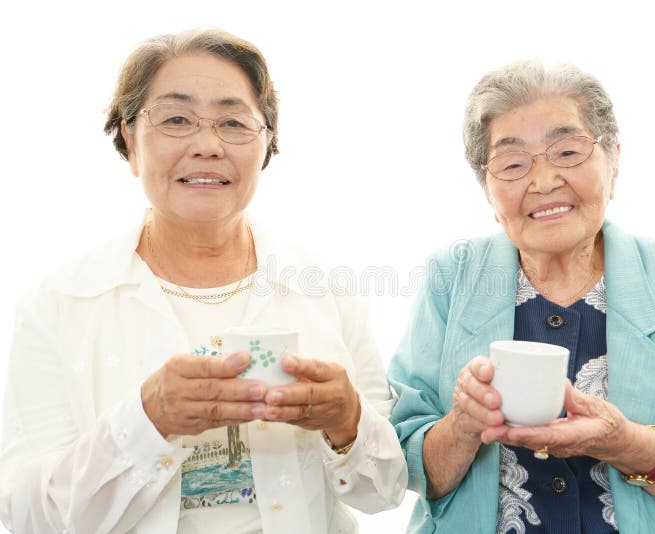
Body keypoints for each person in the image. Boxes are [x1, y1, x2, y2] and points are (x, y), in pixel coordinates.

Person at [0, 29, 406, 534]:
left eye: (234, 122)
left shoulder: (325, 286)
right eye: (175, 119)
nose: (207, 145)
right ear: (129, 139)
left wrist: (348, 423)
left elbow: (384, 492)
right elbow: (26, 518)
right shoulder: (57, 304)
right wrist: (147, 422)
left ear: (266, 145)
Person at [388, 61, 655, 533]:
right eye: (513, 164)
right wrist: (464, 425)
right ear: (488, 190)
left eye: (568, 152)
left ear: (613, 161)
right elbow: (398, 458)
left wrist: (627, 444)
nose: (545, 180)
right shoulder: (452, 277)